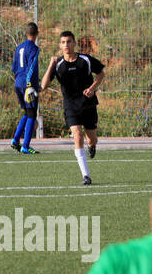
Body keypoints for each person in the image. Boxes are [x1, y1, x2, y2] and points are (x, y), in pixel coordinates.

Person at [39, 30, 104, 186]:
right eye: (63, 42)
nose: (66, 45)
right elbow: (44, 85)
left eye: (69, 41)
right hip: (70, 105)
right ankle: (86, 176)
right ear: (60, 45)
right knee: (77, 135)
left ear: (74, 43)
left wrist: (93, 88)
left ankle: (92, 146)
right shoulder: (58, 64)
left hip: (87, 104)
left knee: (91, 138)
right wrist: (50, 65)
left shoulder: (85, 60)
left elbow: (101, 73)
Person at [10, 22, 41, 154]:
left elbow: (14, 67)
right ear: (37, 34)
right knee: (32, 114)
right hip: (28, 85)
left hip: (18, 82)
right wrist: (29, 85)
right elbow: (32, 67)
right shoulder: (34, 48)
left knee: (27, 113)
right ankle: (26, 145)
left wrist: (20, 81)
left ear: (26, 33)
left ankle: (15, 140)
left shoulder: (19, 48)